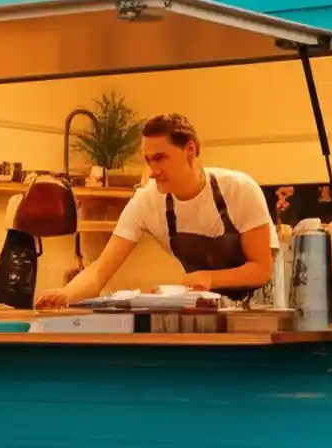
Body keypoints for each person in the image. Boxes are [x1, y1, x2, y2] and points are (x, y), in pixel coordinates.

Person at [36, 114, 276, 307]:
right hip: (207, 311)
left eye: (161, 158)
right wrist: (65, 295)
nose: (152, 170)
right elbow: (99, 271)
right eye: (148, 160)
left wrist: (210, 278)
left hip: (264, 307)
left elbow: (261, 270)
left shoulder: (240, 189)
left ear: (190, 149)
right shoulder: (147, 202)